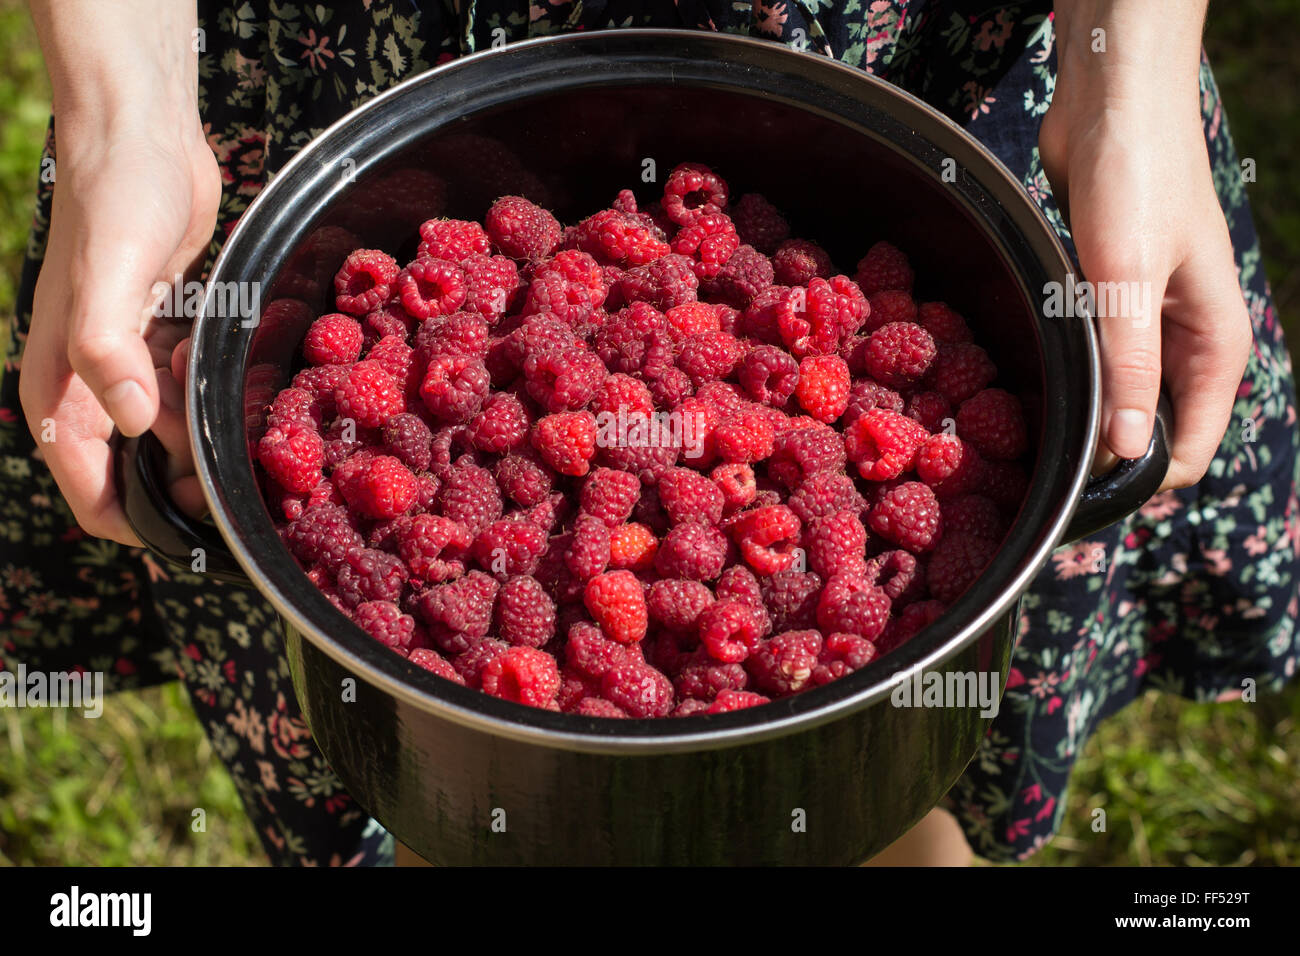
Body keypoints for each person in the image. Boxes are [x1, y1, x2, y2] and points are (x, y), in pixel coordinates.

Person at [4, 0, 1293, 866]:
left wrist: (1131, 89)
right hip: (331, 67)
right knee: (459, 824)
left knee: (874, 807)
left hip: (916, 55)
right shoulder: (471, 423)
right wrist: (123, 119)